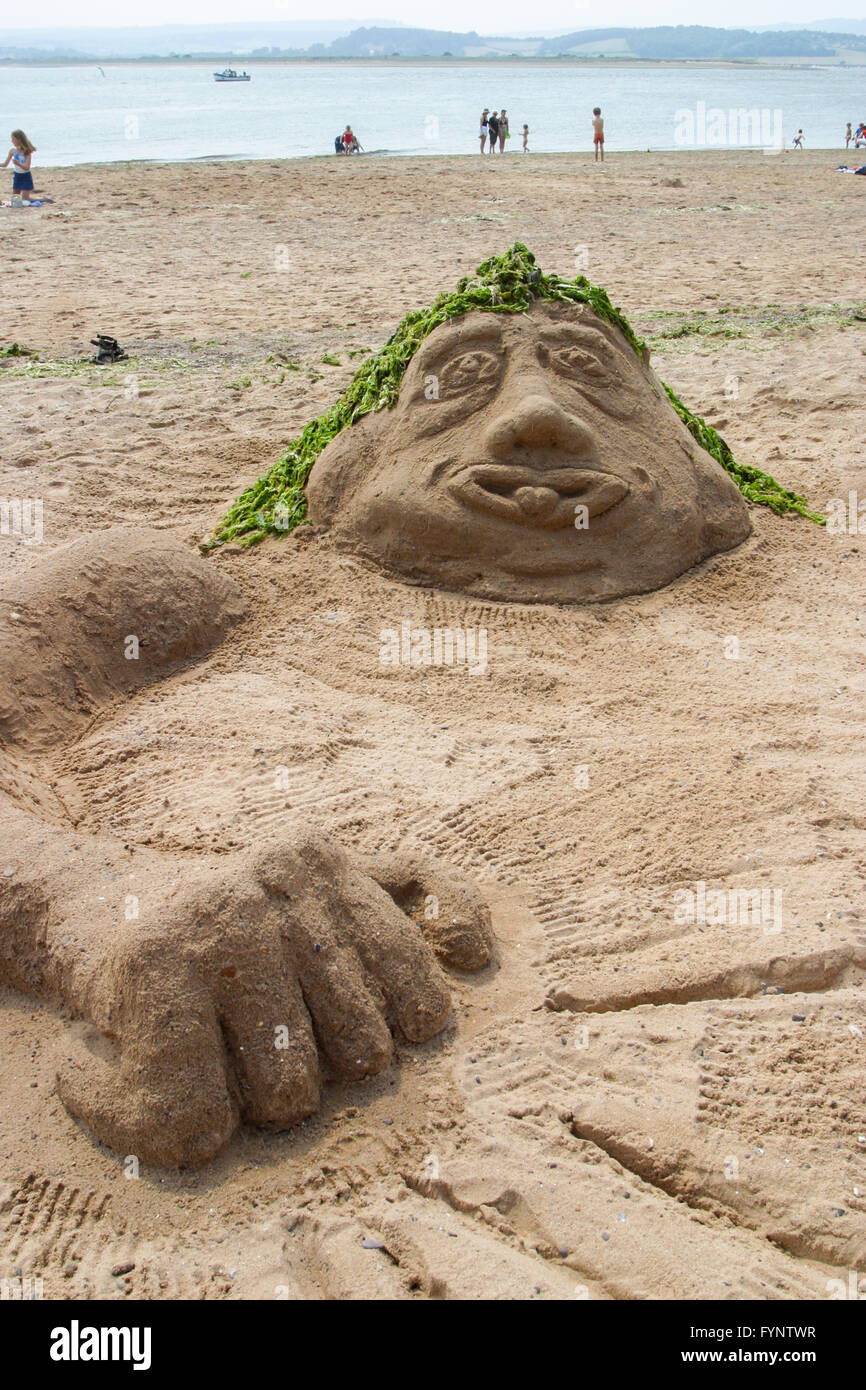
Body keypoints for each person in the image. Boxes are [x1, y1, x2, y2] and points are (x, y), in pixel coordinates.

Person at [2, 129, 37, 204]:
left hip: (26, 176)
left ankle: (44, 200)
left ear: (18, 139)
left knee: (25, 199)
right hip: (17, 176)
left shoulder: (26, 151)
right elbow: (5, 164)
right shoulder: (12, 151)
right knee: (15, 200)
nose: (12, 141)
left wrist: (18, 164)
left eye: (13, 139)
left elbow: (27, 167)